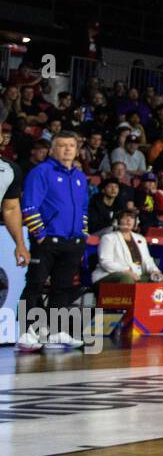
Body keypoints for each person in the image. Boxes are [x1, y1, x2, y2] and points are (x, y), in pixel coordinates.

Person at [16, 130, 89, 352]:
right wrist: (40, 235)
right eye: (62, 145)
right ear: (52, 149)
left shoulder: (79, 176)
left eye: (71, 146)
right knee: (35, 284)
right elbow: (29, 206)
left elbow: (83, 209)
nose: (67, 149)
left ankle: (57, 332)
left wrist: (82, 235)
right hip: (47, 240)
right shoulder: (41, 172)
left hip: (72, 242)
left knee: (63, 287)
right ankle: (26, 332)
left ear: (77, 150)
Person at [92, 209, 163, 283]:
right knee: (127, 278)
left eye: (132, 218)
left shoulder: (140, 239)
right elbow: (106, 262)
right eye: (125, 217)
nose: (129, 220)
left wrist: (155, 271)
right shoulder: (108, 238)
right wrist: (126, 271)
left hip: (135, 275)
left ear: (136, 222)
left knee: (157, 280)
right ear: (117, 221)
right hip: (109, 275)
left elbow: (147, 260)